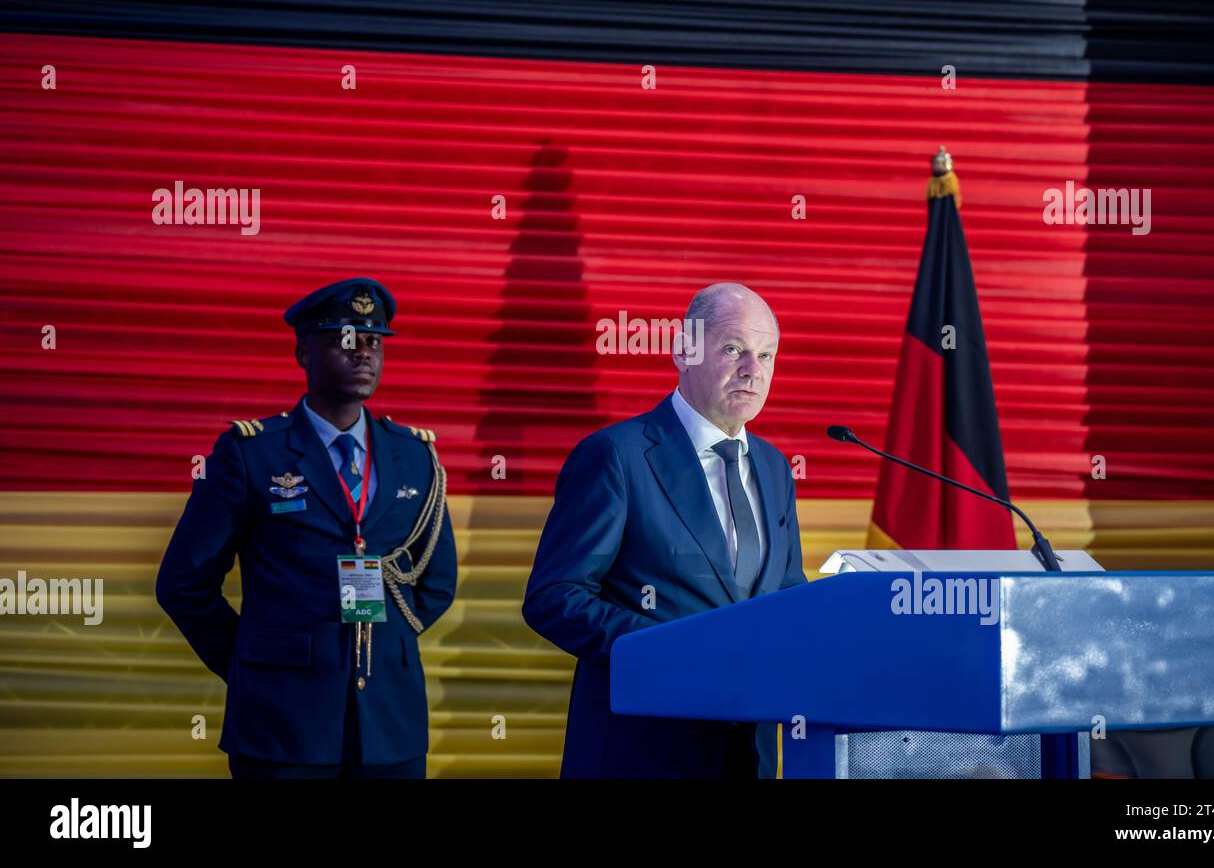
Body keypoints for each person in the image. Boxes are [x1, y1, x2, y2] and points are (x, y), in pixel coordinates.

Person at [156, 277, 456, 778]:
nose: (364, 354)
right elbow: (184, 583)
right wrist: (254, 662)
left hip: (390, 723)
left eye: (375, 342)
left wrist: (386, 643)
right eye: (346, 340)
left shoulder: (414, 456)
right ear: (303, 353)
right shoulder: (252, 453)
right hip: (281, 726)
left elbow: (436, 579)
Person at [523, 282, 806, 777]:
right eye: (734, 349)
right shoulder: (617, 456)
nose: (752, 371)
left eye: (766, 355)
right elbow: (554, 597)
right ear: (682, 351)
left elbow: (785, 593)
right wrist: (671, 651)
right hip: (643, 752)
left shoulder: (775, 467)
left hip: (749, 755)